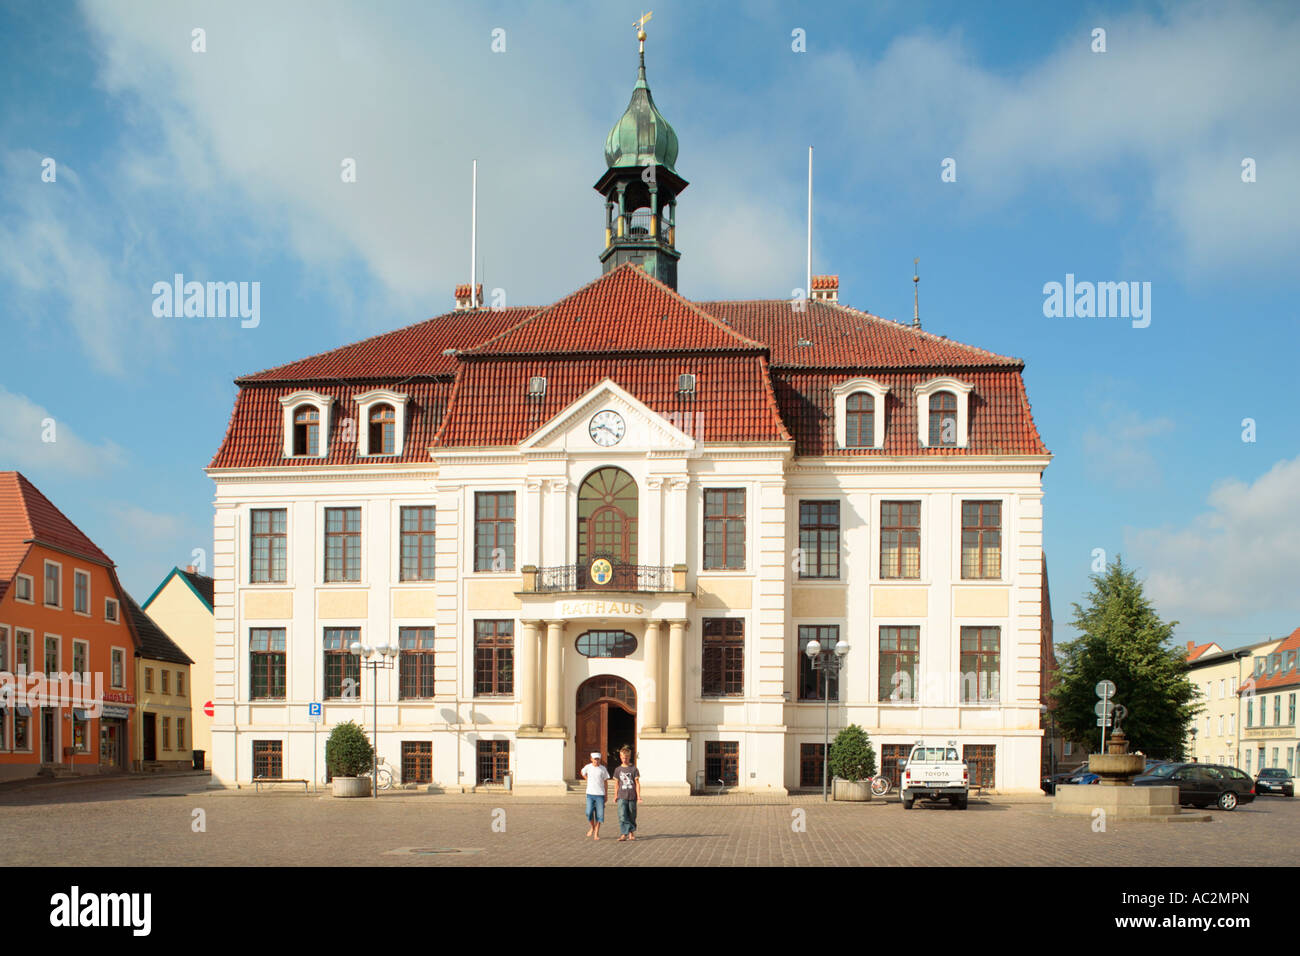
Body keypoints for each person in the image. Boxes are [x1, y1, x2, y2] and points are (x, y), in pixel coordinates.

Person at [613, 745, 642, 841]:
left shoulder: (634, 769)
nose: (624, 759)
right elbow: (616, 784)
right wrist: (615, 795)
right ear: (620, 757)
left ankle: (631, 833)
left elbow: (637, 783)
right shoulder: (618, 770)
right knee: (622, 815)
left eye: (626, 757)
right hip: (622, 796)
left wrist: (638, 796)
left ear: (629, 757)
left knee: (632, 814)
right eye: (622, 757)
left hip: (632, 796)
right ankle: (623, 833)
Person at [580, 751, 610, 840]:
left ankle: (596, 832)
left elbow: (605, 781)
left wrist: (606, 794)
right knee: (588, 812)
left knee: (599, 814)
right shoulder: (588, 767)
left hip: (600, 794)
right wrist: (587, 779)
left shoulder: (603, 769)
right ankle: (592, 827)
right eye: (595, 759)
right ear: (591, 759)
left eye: (598, 759)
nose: (596, 761)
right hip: (590, 794)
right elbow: (582, 773)